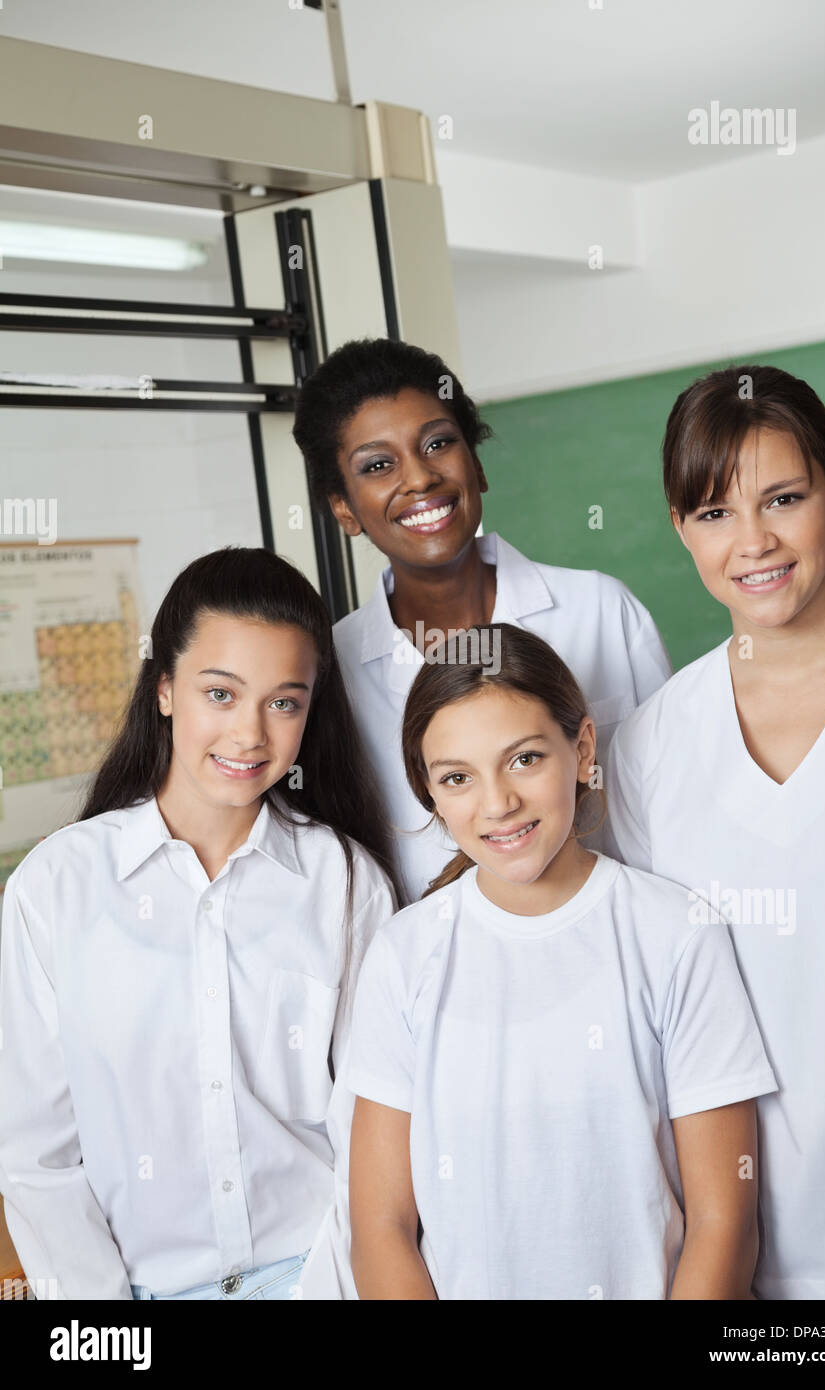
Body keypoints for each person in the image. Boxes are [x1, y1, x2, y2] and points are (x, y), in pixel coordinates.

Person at [0, 546, 397, 1300]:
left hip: (320, 1277)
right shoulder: (56, 888)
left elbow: (371, 1128)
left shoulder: (344, 884)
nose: (250, 735)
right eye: (221, 693)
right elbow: (36, 1156)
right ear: (165, 691)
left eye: (284, 702)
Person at [345, 623, 777, 1299]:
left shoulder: (675, 934)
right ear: (429, 792)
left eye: (524, 760)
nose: (498, 803)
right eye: (458, 777)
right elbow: (380, 1228)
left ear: (580, 750)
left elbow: (724, 1224)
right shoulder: (404, 955)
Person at [604, 364, 825, 1300]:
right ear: (680, 526)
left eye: (784, 498)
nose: (755, 542)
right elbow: (660, 1017)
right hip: (750, 1252)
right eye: (715, 513)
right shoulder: (652, 744)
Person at [292, 337, 672, 903]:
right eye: (377, 465)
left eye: (439, 443)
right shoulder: (331, 669)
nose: (419, 478)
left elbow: (673, 805)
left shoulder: (600, 611)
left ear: (476, 463)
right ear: (343, 508)